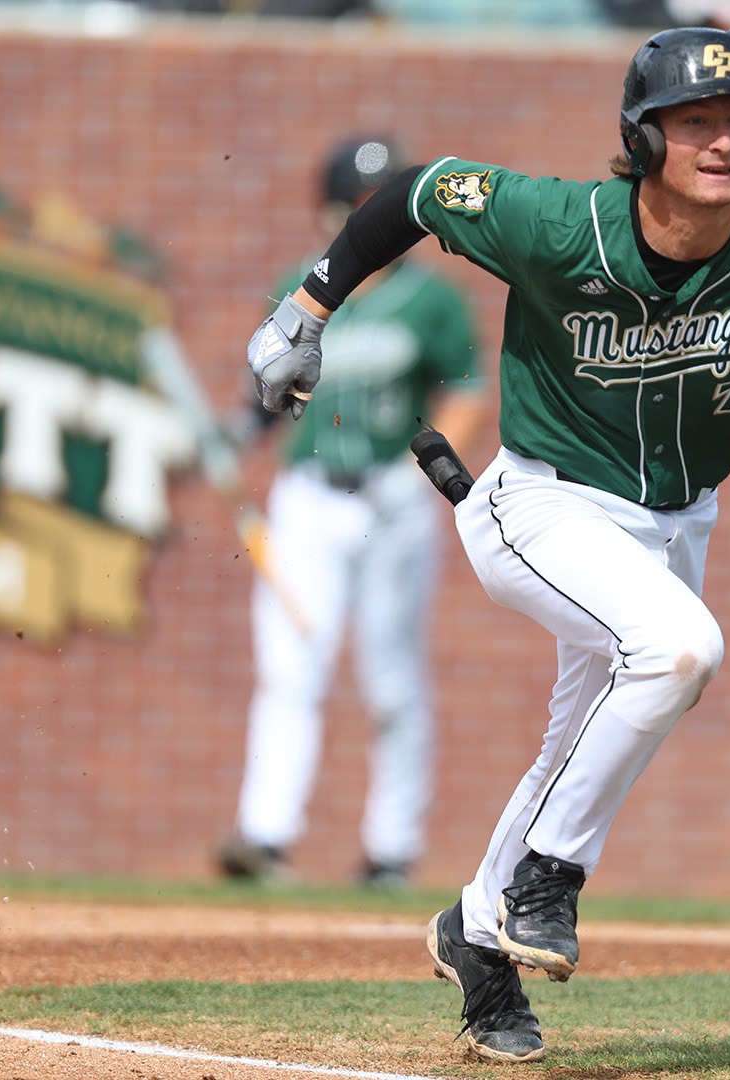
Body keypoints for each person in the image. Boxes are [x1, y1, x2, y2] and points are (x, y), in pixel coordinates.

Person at [243, 27, 730, 1063]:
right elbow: (417, 191)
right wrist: (308, 307)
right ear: (644, 135)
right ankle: (549, 879)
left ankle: (475, 934)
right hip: (538, 502)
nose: (723, 140)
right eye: (694, 120)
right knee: (682, 649)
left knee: (578, 743)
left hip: (677, 523)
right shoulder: (559, 223)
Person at [218, 134, 491, 889]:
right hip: (308, 497)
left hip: (391, 503)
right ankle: (264, 835)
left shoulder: (431, 299)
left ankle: (391, 849)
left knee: (391, 680)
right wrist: (232, 432)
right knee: (290, 671)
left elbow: (467, 393)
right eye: (359, 204)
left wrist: (419, 473)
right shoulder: (299, 287)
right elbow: (265, 399)